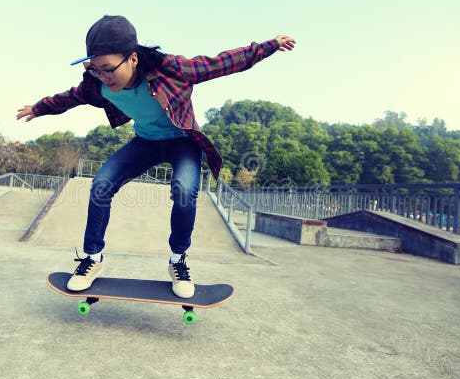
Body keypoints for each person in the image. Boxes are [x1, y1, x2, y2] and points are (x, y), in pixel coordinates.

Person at [17, 15, 295, 298]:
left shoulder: (170, 70)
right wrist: (37, 108)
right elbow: (69, 98)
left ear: (133, 59)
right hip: (146, 142)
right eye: (96, 70)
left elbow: (222, 63)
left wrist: (269, 46)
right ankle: (93, 258)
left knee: (184, 190)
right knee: (101, 184)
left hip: (182, 142)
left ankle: (178, 260)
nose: (103, 77)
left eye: (108, 69)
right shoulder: (96, 85)